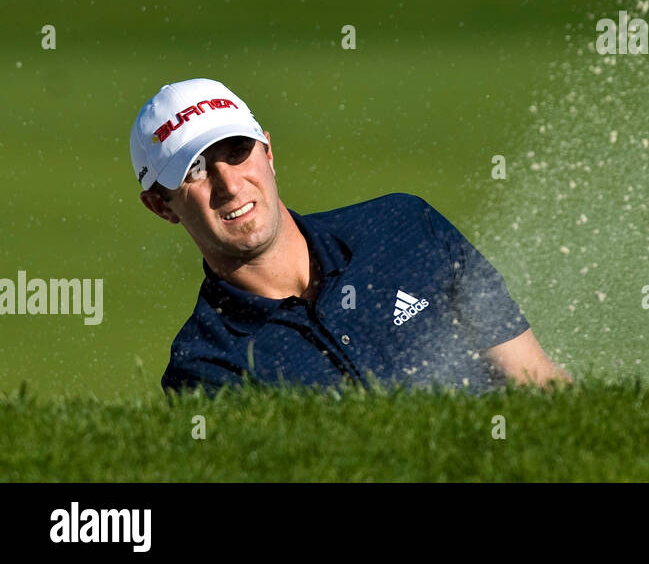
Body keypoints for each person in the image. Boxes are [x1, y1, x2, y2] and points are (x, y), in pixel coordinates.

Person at [130, 77, 570, 395]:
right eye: (196, 171)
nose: (229, 184)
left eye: (237, 152)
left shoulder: (406, 227)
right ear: (161, 205)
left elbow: (536, 381)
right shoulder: (207, 365)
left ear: (268, 151)